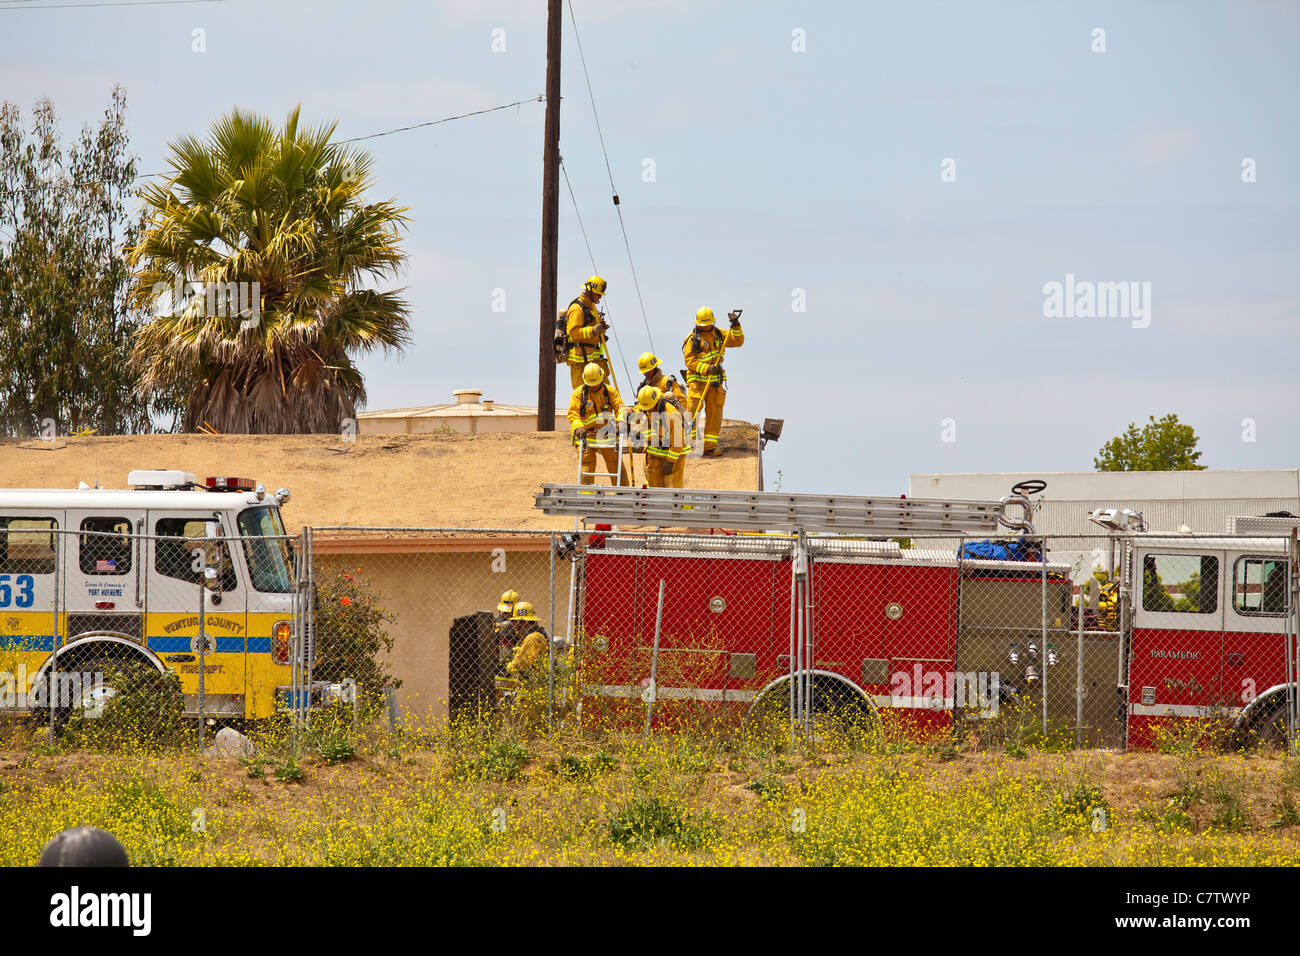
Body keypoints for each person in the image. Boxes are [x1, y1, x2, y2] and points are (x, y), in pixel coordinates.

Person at [682, 306, 743, 456]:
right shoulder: (692, 339)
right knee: (693, 410)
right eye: (703, 325)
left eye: (708, 324)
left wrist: (736, 325)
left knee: (714, 413)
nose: (706, 327)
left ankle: (709, 446)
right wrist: (707, 369)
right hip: (697, 382)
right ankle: (690, 444)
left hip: (714, 383)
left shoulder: (719, 334)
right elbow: (690, 361)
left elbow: (737, 341)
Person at [567, 362, 630, 486]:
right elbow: (573, 414)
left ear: (601, 379)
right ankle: (586, 495)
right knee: (586, 466)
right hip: (586, 436)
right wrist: (578, 427)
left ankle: (623, 494)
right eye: (591, 384)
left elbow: (620, 408)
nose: (594, 386)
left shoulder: (609, 392)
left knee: (615, 464)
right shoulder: (578, 394)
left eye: (596, 383)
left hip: (606, 435)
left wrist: (620, 422)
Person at [563, 276, 612, 389]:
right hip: (580, 361)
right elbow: (574, 333)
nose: (599, 297)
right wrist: (593, 330)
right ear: (589, 292)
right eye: (598, 294)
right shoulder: (577, 309)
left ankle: (619, 406)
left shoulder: (591, 308)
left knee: (605, 391)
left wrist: (601, 330)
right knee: (581, 395)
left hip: (593, 359)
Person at [635, 385, 688, 488]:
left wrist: (670, 461)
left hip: (674, 455)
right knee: (654, 486)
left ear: (656, 402)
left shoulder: (672, 415)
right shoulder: (648, 407)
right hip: (656, 454)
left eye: (650, 408)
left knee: (672, 487)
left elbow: (678, 444)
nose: (648, 411)